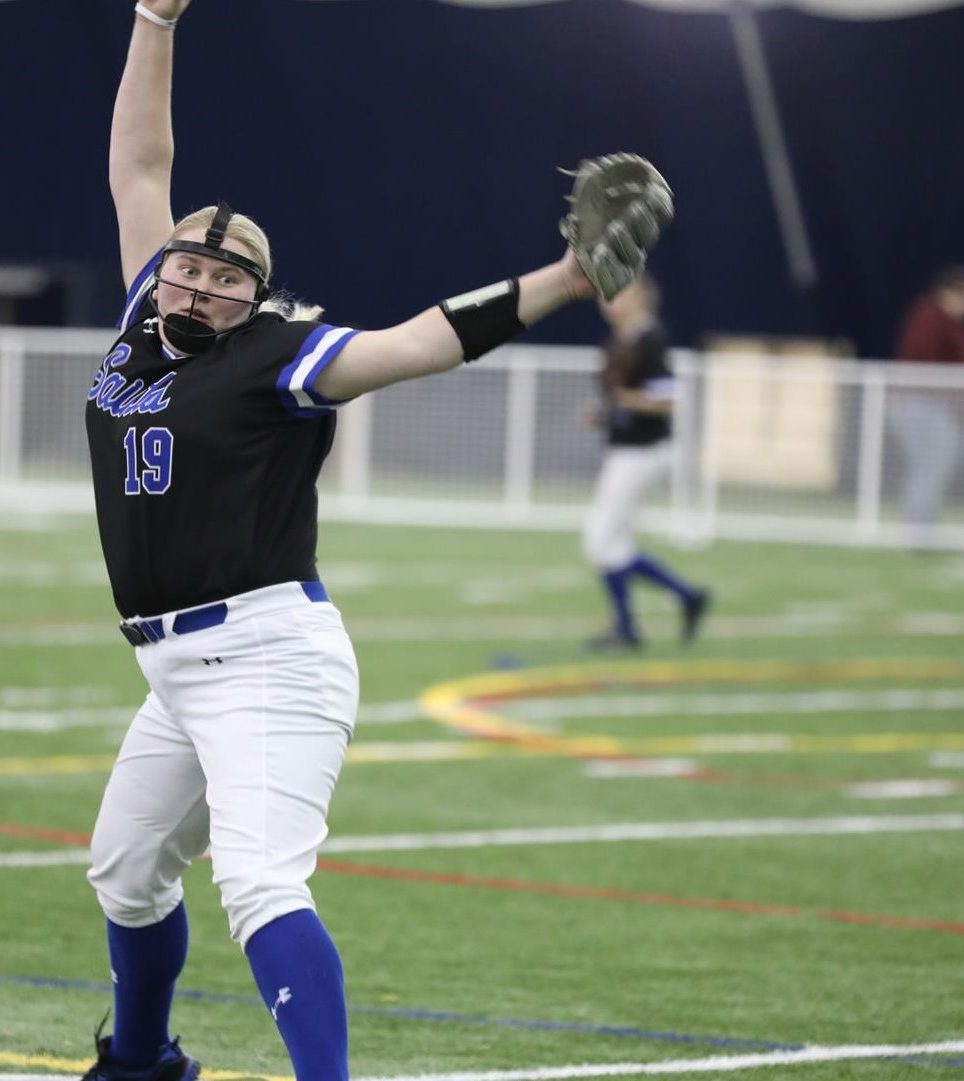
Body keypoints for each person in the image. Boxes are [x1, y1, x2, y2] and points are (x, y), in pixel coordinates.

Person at [78, 4, 670, 1081]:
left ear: (254, 295)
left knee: (259, 883)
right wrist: (154, 17)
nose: (198, 281)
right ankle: (141, 1058)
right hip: (174, 667)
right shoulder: (140, 314)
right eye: (186, 266)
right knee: (124, 872)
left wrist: (564, 280)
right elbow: (138, 161)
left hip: (264, 660)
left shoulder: (274, 354)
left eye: (226, 276)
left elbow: (414, 344)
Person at [582, 274, 708, 651]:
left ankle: (629, 627)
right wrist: (605, 414)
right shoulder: (621, 340)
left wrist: (626, 402)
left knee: (602, 540)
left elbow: (668, 397)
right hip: (627, 450)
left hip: (643, 452)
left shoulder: (650, 340)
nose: (609, 301)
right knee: (611, 541)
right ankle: (683, 597)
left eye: (619, 293)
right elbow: (622, 400)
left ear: (640, 298)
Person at [887, 264, 964, 548]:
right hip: (920, 405)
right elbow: (927, 366)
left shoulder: (950, 325)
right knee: (928, 465)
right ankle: (919, 531)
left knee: (934, 465)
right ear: (950, 293)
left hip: (936, 408)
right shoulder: (930, 318)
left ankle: (924, 528)